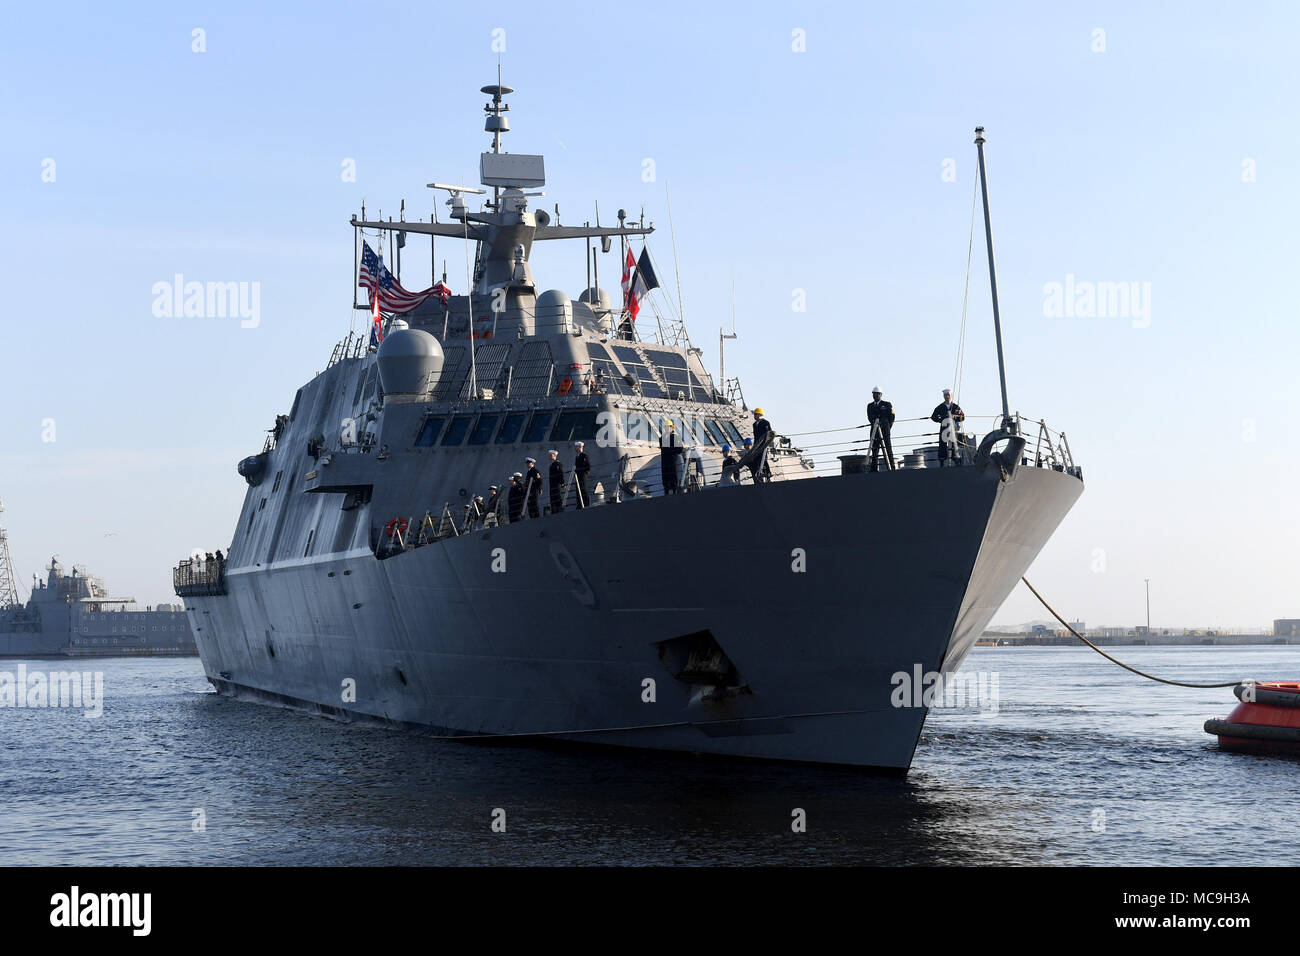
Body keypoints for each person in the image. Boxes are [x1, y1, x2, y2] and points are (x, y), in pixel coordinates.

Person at [930, 388, 965, 467]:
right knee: (942, 444)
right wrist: (941, 419)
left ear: (951, 396)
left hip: (953, 428)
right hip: (944, 428)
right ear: (943, 396)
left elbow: (962, 417)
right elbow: (933, 417)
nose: (947, 397)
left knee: (953, 443)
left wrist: (955, 417)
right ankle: (942, 461)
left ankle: (955, 459)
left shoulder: (955, 407)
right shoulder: (940, 407)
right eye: (946, 395)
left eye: (948, 395)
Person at [867, 387, 895, 472]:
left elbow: (892, 417)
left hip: (885, 431)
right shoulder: (870, 406)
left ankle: (892, 467)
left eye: (877, 394)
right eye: (874, 394)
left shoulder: (887, 404)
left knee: (888, 449)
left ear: (880, 395)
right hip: (874, 431)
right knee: (874, 450)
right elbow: (869, 417)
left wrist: (887, 427)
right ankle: (874, 469)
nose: (875, 395)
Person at [660, 419, 683, 495]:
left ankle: (674, 492)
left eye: (668, 427)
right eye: (666, 427)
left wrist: (672, 451)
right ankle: (667, 492)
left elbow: (680, 449)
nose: (667, 428)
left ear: (672, 428)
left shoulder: (675, 437)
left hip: (672, 461)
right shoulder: (662, 438)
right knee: (665, 478)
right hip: (665, 462)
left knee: (673, 478)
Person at [573, 441, 591, 508]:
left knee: (583, 489)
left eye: (576, 447)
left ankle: (586, 504)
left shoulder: (584, 455)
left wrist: (586, 471)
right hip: (578, 475)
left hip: (582, 475)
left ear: (580, 447)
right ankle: (579, 504)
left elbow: (587, 465)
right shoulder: (577, 456)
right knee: (578, 490)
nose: (575, 448)